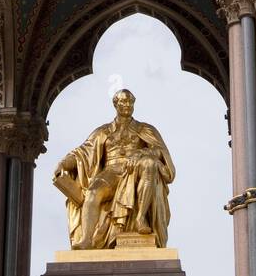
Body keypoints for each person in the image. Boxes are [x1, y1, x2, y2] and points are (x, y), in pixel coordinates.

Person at [53, 88, 175, 250]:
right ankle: (87, 239)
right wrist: (63, 164)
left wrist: (141, 153)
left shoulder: (145, 129)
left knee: (149, 164)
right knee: (93, 193)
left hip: (135, 171)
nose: (128, 105)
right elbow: (81, 153)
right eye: (124, 101)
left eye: (131, 101)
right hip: (110, 172)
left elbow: (159, 151)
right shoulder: (103, 131)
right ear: (115, 104)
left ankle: (140, 218)